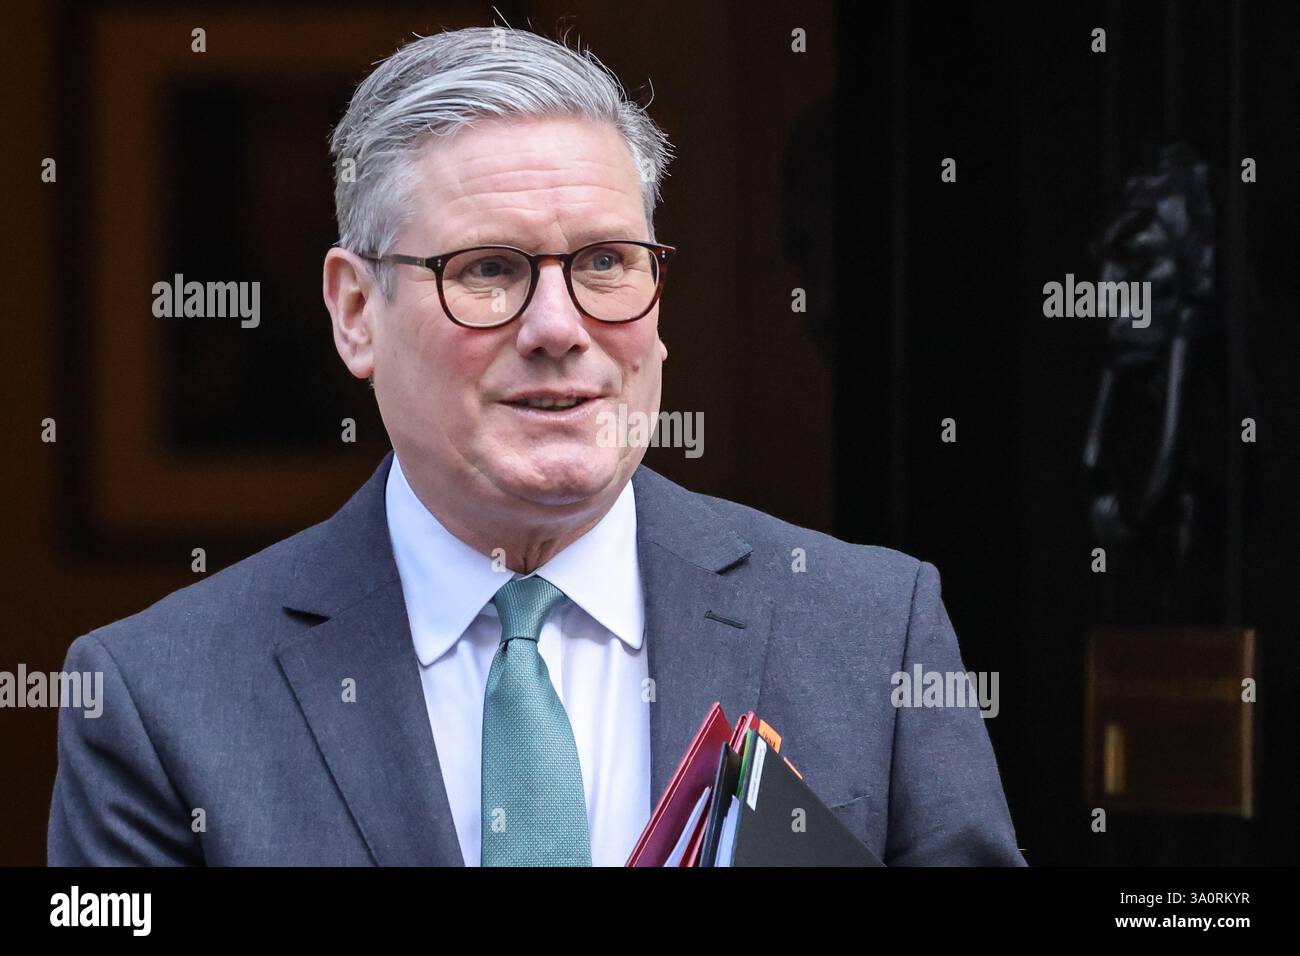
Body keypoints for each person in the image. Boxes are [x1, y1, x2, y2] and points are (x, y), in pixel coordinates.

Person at [47, 25, 1024, 866]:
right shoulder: (162, 696)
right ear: (355, 311)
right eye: (488, 269)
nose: (558, 324)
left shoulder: (867, 628)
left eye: (604, 261)